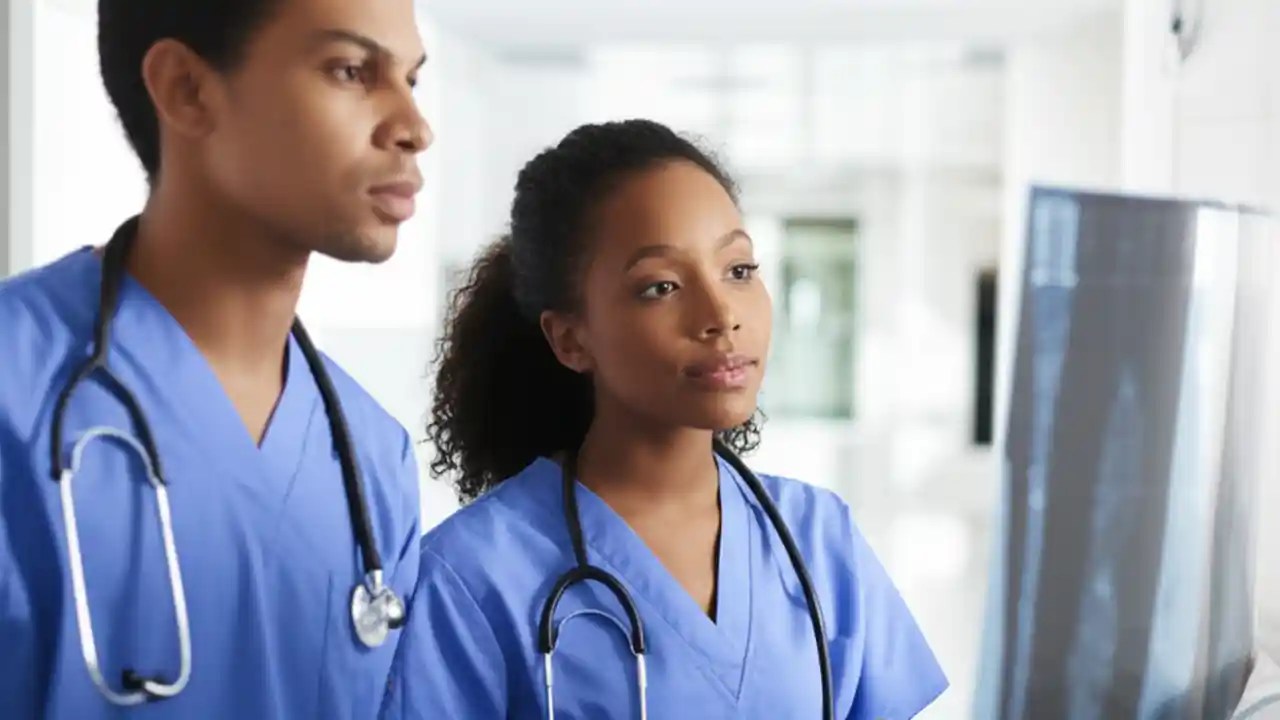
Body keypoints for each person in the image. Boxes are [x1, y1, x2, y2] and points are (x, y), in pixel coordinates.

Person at [382, 119, 946, 719]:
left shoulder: (816, 540)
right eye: (661, 287)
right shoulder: (473, 575)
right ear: (572, 339)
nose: (721, 315)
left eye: (738, 270)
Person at [0, 0, 431, 716]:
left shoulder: (372, 458)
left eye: (412, 79)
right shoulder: (16, 384)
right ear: (186, 90)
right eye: (352, 71)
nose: (414, 128)